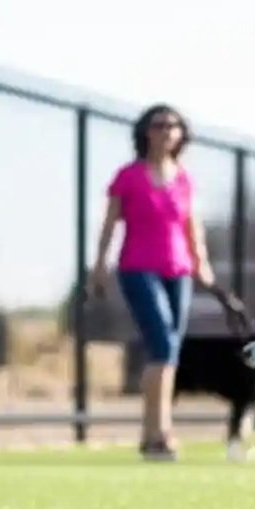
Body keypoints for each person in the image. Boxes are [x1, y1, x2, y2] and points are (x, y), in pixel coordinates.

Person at [89, 103, 216, 462]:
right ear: (146, 131)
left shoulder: (184, 178)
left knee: (169, 351)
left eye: (173, 126)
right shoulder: (128, 176)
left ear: (180, 135)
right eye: (159, 125)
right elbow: (110, 224)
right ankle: (160, 432)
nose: (166, 131)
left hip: (178, 271)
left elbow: (193, 225)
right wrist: (99, 266)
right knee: (161, 342)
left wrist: (201, 262)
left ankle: (151, 434)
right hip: (137, 267)